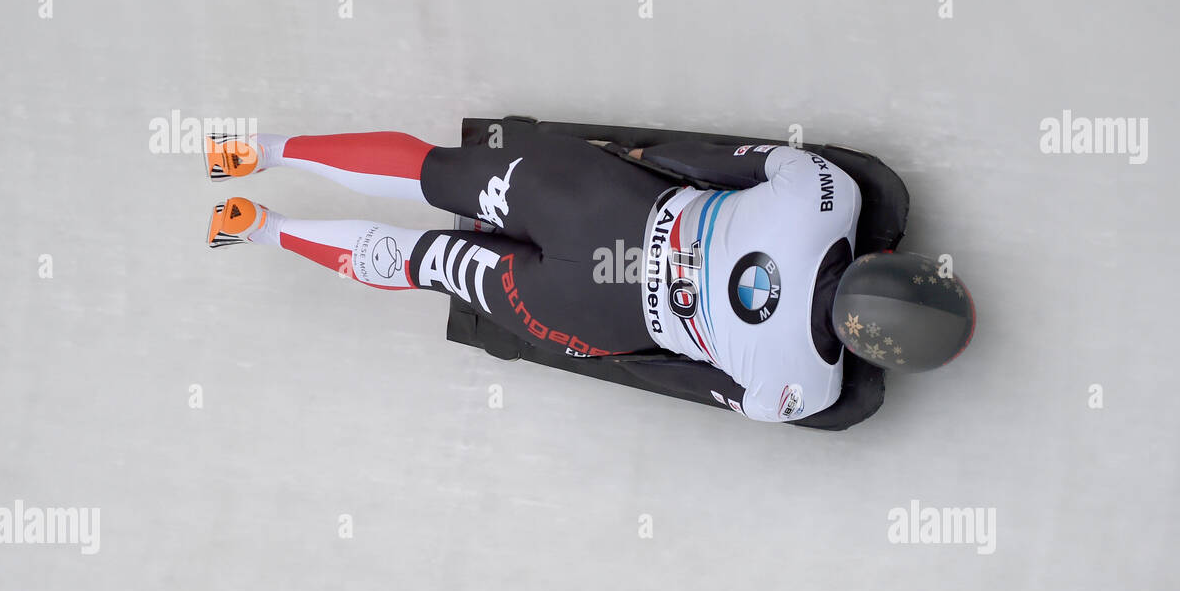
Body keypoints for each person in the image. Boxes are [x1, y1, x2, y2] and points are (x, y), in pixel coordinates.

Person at [204, 124, 974, 422]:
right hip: (582, 309)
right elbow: (674, 377)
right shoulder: (803, 388)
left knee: (433, 173)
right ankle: (262, 229)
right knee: (427, 262)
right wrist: (592, 349)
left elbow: (696, 159)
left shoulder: (823, 192)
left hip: (594, 202)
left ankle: (264, 151)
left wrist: (621, 163)